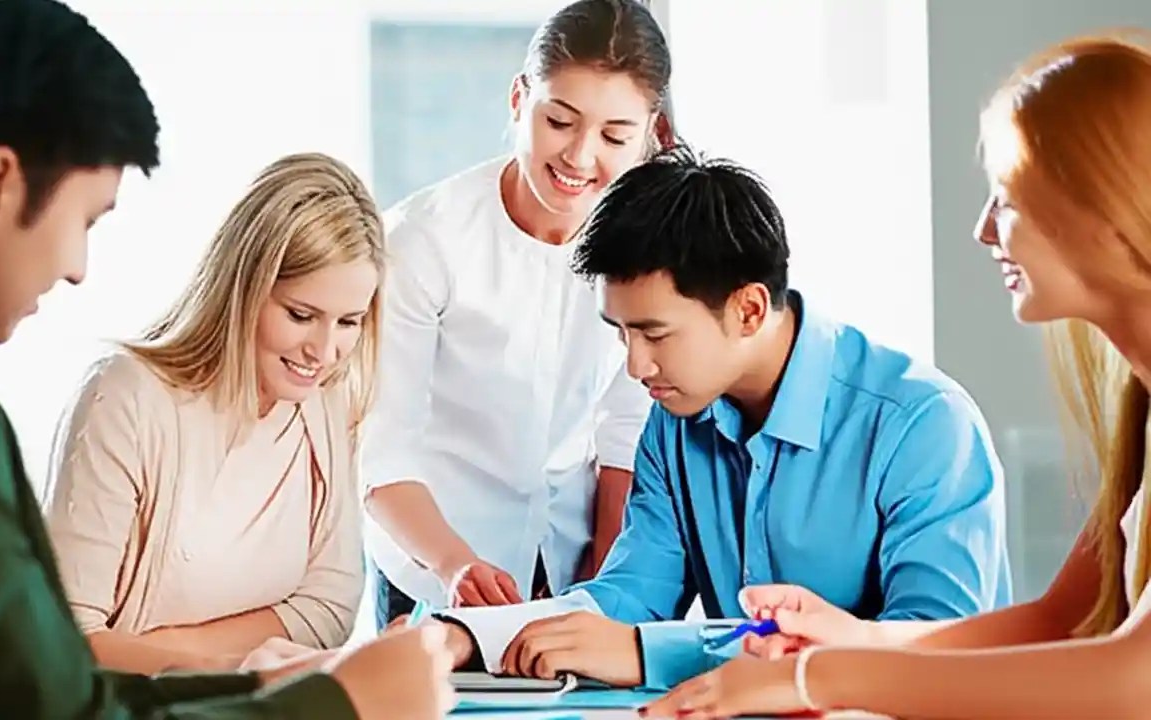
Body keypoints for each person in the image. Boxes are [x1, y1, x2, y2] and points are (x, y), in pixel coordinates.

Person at [0, 1, 452, 718]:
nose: (78, 267)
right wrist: (339, 704)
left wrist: (256, 682)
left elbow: (40, 684)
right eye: (83, 221)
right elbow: (53, 700)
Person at [638, 33, 1151, 720]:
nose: (983, 231)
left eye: (1009, 199)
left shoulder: (920, 415)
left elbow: (1131, 679)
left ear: (1104, 214)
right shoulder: (1141, 404)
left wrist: (815, 681)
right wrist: (850, 646)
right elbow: (1060, 619)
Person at [431, 146, 1012, 692]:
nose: (635, 365)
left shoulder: (923, 425)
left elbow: (935, 643)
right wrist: (475, 636)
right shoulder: (675, 419)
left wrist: (647, 653)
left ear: (749, 309)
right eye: (623, 334)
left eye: (654, 333)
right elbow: (632, 594)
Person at [360, 0, 676, 627]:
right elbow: (381, 453)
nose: (581, 158)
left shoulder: (647, 249)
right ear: (517, 100)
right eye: (560, 120)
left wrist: (607, 582)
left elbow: (625, 430)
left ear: (651, 135)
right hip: (434, 562)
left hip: (569, 554)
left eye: (615, 136)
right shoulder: (425, 241)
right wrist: (455, 567)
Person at [43, 152, 377, 675]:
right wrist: (250, 672)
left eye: (349, 322)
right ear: (241, 288)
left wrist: (170, 652)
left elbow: (329, 609)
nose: (324, 351)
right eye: (301, 315)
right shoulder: (126, 398)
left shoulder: (324, 404)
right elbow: (64, 641)